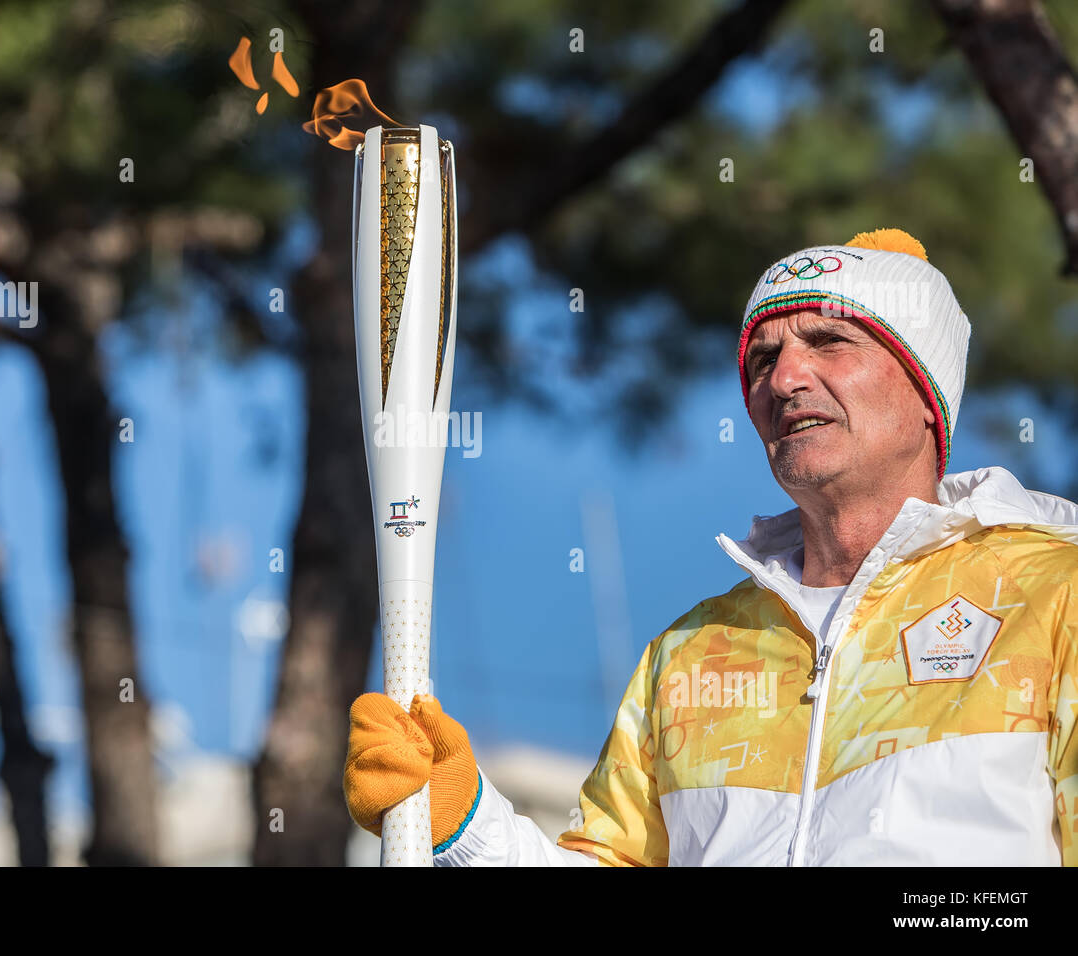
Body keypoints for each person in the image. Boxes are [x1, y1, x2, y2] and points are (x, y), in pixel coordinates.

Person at [343, 228, 1078, 865]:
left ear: (928, 395)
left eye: (828, 341)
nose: (785, 378)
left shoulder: (1052, 596)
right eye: (763, 359)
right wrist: (463, 826)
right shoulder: (692, 655)